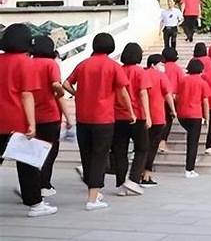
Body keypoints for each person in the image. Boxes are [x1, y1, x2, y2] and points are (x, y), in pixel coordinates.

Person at [64, 32, 135, 210]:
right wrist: (130, 112)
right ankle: (92, 199)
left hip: (83, 117)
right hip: (103, 118)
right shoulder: (113, 66)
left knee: (86, 154)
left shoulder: (83, 64)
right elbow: (123, 92)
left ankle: (93, 190)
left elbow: (66, 83)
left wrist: (77, 95)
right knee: (99, 156)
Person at [0, 23, 58, 217]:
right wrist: (32, 124)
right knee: (27, 164)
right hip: (16, 121)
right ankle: (35, 204)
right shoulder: (26, 62)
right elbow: (26, 95)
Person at [31, 36, 72, 197]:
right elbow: (57, 90)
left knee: (32, 152)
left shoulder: (27, 63)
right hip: (49, 115)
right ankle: (44, 184)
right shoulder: (50, 64)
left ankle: (31, 185)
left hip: (30, 115)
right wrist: (68, 118)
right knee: (50, 151)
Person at [112, 43, 152, 196]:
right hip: (138, 116)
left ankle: (121, 183)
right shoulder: (140, 72)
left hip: (118, 116)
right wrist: (148, 116)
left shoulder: (118, 70)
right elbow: (143, 94)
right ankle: (133, 179)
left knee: (120, 151)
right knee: (142, 148)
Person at [142, 54, 177, 187]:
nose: (163, 67)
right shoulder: (161, 76)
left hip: (142, 116)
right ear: (153, 64)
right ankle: (146, 174)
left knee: (143, 146)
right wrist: (173, 110)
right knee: (152, 146)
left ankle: (138, 173)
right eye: (161, 65)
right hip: (157, 116)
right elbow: (168, 95)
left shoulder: (142, 74)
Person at [176, 59, 211, 178]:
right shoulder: (202, 82)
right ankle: (189, 169)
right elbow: (205, 102)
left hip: (182, 114)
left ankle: (189, 167)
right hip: (195, 114)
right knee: (193, 142)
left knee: (191, 139)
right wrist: (207, 117)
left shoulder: (183, 80)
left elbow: (177, 96)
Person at [158, 48, 185, 153]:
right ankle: (162, 142)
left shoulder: (161, 67)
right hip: (172, 98)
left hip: (159, 97)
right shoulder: (177, 69)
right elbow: (182, 85)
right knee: (168, 121)